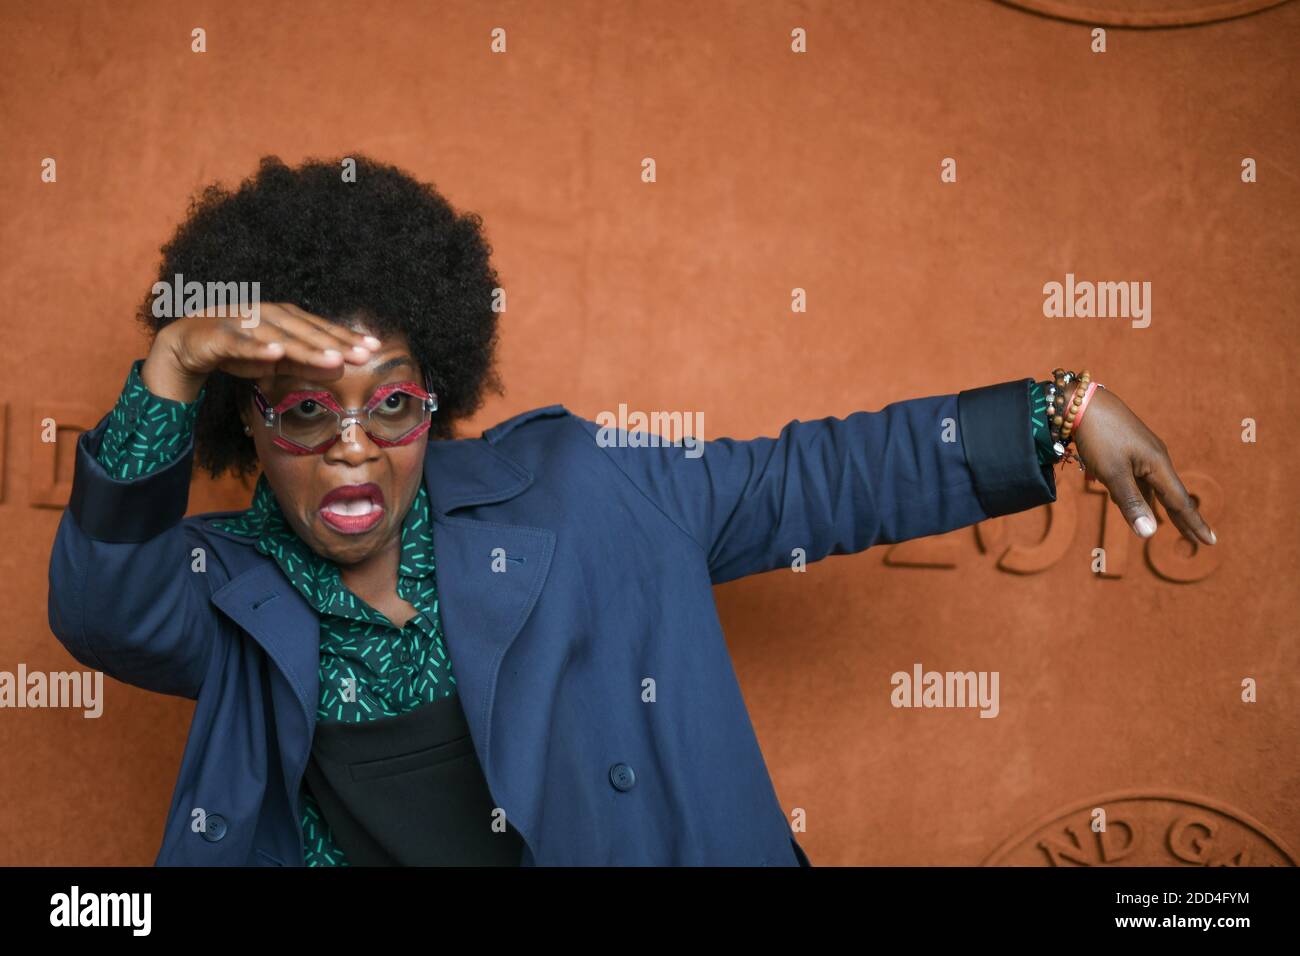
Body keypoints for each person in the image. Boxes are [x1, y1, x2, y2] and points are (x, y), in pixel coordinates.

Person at [46, 155, 1215, 866]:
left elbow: (807, 479)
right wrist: (176, 358)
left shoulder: (584, 490)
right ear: (244, 425)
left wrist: (1060, 409)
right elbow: (103, 607)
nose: (353, 444)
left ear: (435, 396)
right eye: (302, 411)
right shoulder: (228, 584)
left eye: (391, 402)